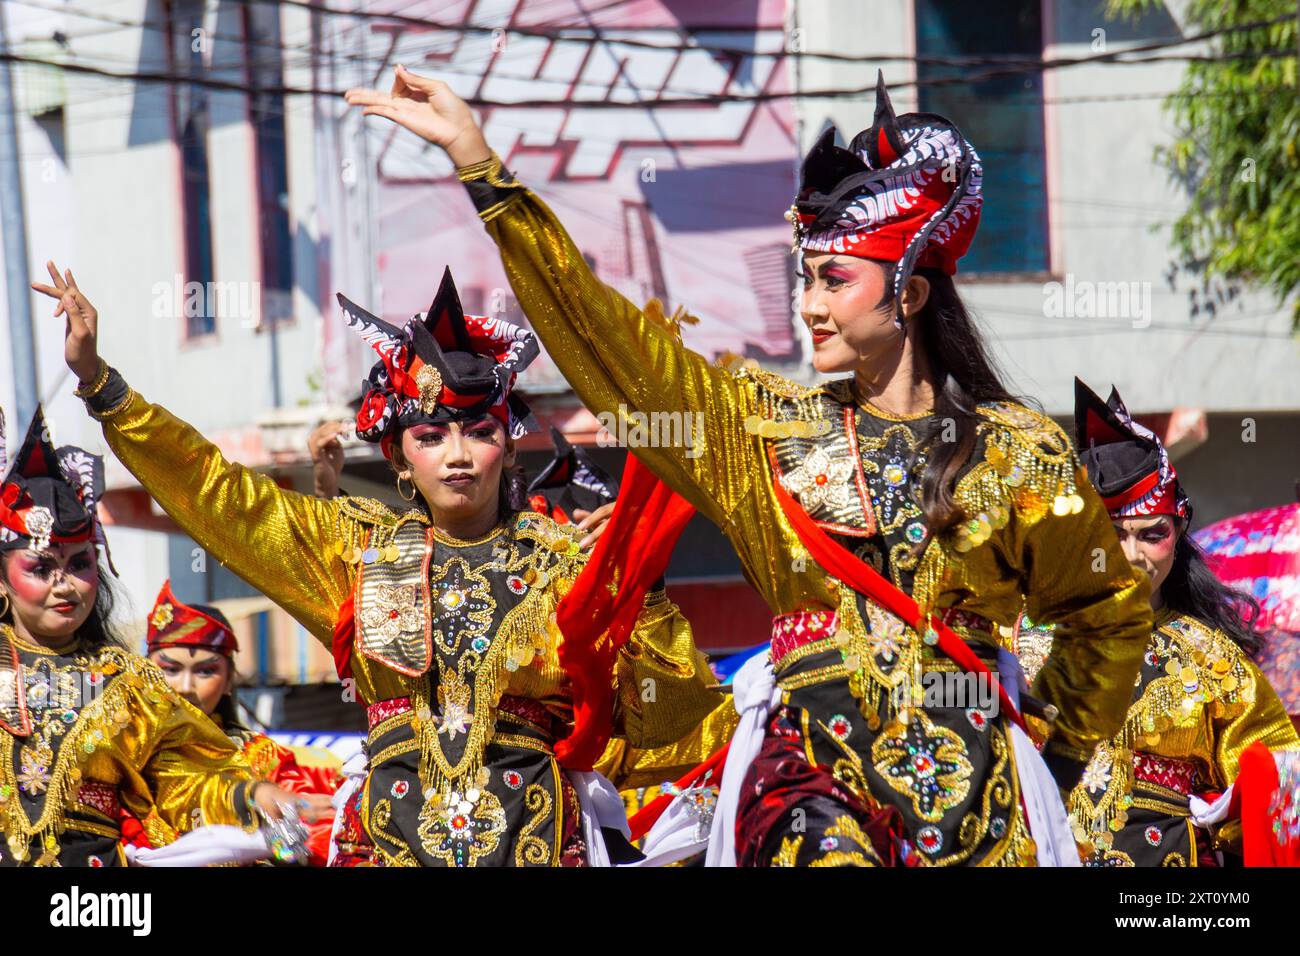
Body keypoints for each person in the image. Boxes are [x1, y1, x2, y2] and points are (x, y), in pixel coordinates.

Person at [344, 66, 1153, 866]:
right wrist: (487, 177)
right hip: (812, 789)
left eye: (834, 279)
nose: (808, 304)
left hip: (984, 798)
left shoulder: (1019, 452)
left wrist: (1052, 750)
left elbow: (1106, 614)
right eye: (805, 278)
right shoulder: (764, 432)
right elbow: (612, 345)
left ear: (908, 295)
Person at [35, 260, 724, 867]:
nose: (457, 455)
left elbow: (675, 727)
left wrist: (643, 586)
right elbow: (220, 494)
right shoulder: (356, 553)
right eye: (430, 436)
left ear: (510, 448)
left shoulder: (566, 564)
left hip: (536, 840)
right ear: (399, 457)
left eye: (480, 432)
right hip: (389, 845)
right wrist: (102, 386)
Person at [0, 404, 304, 866]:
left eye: (80, 564)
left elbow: (190, 777)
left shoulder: (128, 685)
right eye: (41, 568)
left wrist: (252, 793)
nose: (65, 585)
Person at [1069, 378, 1300, 865]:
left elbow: (1282, 768)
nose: (1132, 556)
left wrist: (1237, 799)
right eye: (1111, 536)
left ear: (1178, 532)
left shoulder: (1213, 658)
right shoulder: (1020, 637)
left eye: (1152, 534)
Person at [120, 581, 338, 864]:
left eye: (206, 671)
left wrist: (274, 843)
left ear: (229, 681)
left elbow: (316, 832)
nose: (185, 686)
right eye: (170, 669)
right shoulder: (121, 754)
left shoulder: (262, 758)